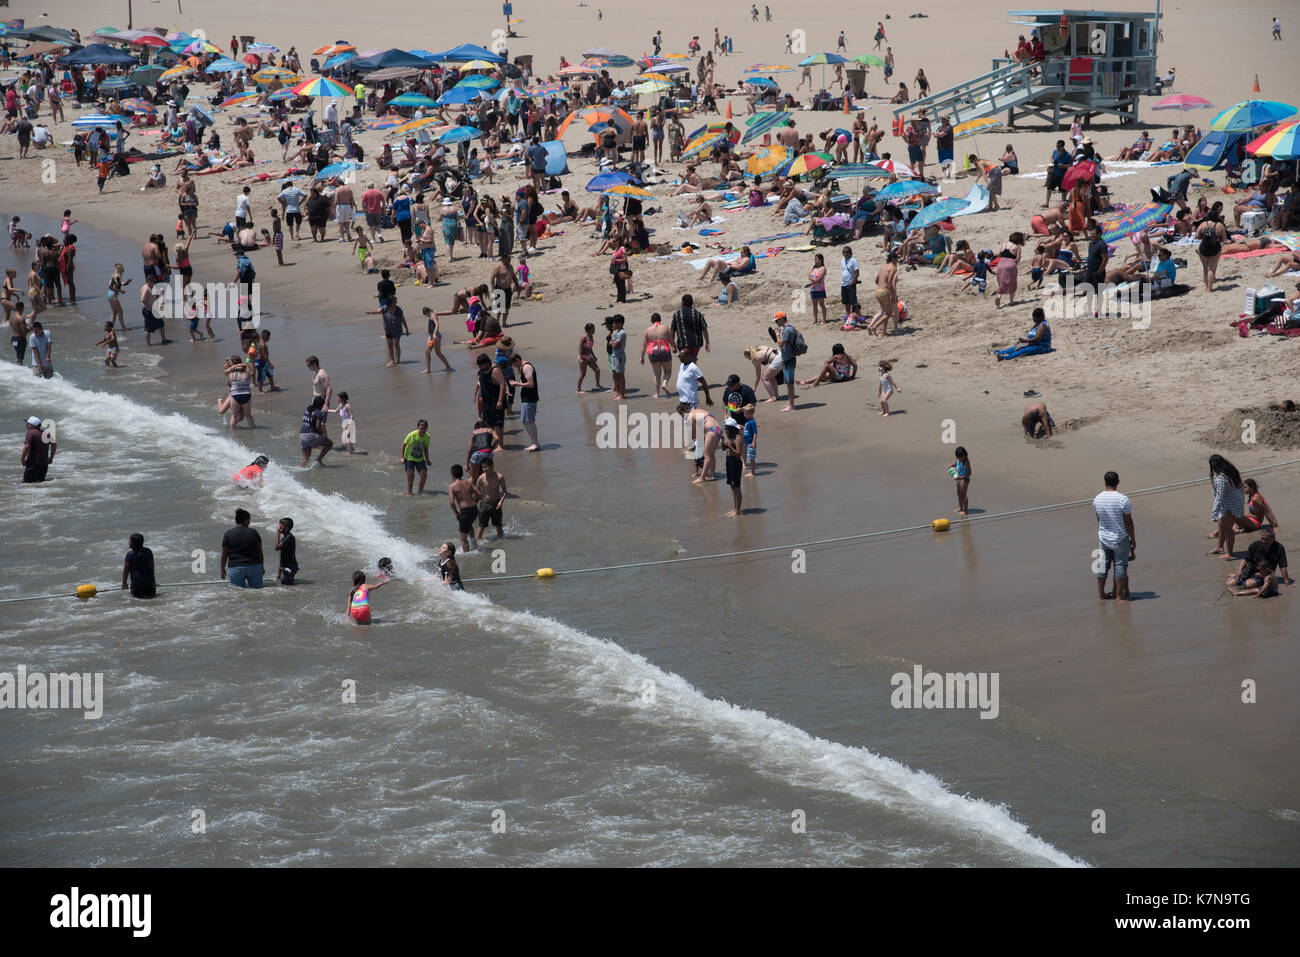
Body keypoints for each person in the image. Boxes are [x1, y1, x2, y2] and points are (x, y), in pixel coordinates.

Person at [1093, 471, 1135, 601]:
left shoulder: (1097, 499)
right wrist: (1133, 539)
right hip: (1120, 538)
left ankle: (1101, 595)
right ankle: (1119, 596)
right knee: (1120, 565)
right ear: (1118, 482)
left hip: (1103, 538)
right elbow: (1128, 521)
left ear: (1105, 482)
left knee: (1101, 566)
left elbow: (1099, 520)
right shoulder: (1123, 499)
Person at [1227, 526, 1289, 597]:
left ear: (1273, 539)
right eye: (1262, 539)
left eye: (1266, 539)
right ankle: (1236, 576)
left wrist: (1286, 581)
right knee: (1229, 583)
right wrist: (1239, 571)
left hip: (1264, 572)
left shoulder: (1279, 548)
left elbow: (1283, 566)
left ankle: (1239, 581)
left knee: (1248, 585)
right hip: (1251, 568)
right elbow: (1245, 559)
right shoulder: (1255, 545)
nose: (1263, 541)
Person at [1207, 454, 1246, 558]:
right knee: (1221, 524)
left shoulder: (1220, 478)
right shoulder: (1231, 471)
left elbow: (1219, 496)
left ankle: (1229, 553)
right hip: (1236, 501)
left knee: (1228, 529)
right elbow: (1241, 486)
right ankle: (1219, 546)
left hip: (1230, 504)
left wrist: (1214, 513)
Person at [220, 508, 264, 588]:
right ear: (246, 520)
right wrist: (262, 567)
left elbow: (224, 555)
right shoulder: (254, 532)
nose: (250, 522)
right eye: (249, 520)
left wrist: (222, 569)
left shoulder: (228, 534)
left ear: (236, 521)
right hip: (254, 566)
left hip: (236, 568)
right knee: (258, 592)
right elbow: (260, 551)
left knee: (238, 594)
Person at [510, 353, 541, 452]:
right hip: (527, 398)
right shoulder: (522, 367)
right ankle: (534, 443)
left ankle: (535, 443)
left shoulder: (526, 367)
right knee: (525, 420)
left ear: (518, 360)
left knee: (528, 421)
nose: (515, 367)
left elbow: (531, 384)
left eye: (514, 364)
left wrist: (517, 384)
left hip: (530, 398)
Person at [641, 313, 676, 398]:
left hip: (653, 352)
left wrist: (641, 357)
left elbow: (644, 345)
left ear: (651, 320)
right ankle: (664, 384)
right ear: (660, 320)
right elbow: (671, 341)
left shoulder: (648, 330)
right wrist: (674, 348)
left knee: (657, 374)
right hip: (665, 351)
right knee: (667, 371)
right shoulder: (665, 328)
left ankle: (657, 394)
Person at [474, 458, 508, 543]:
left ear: (492, 466)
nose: (484, 469)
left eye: (486, 467)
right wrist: (474, 504)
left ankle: (502, 543)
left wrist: (501, 502)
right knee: (481, 526)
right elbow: (476, 491)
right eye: (483, 467)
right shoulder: (481, 478)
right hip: (485, 504)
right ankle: (476, 544)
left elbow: (504, 492)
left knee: (499, 526)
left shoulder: (500, 477)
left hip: (496, 504)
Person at [299, 395, 334, 467]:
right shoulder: (319, 413)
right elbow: (318, 427)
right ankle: (318, 459)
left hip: (302, 436)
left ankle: (298, 474)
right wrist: (321, 435)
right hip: (311, 435)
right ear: (320, 405)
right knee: (329, 444)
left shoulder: (307, 409)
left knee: (305, 460)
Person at [121, 533, 158, 599]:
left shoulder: (130, 555)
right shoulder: (148, 551)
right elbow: (152, 567)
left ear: (133, 543)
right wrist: (152, 582)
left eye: (129, 541)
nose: (128, 542)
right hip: (150, 584)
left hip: (137, 587)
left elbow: (126, 571)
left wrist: (124, 583)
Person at [20, 415, 54, 484]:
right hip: (44, 463)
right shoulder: (46, 433)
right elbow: (54, 445)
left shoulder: (31, 432)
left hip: (33, 462)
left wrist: (22, 459)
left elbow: (27, 446)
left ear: (31, 425)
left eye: (28, 424)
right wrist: (50, 458)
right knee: (40, 483)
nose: (27, 426)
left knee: (26, 483)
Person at [402, 419, 432, 494]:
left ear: (427, 428)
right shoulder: (412, 435)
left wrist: (427, 459)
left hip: (420, 458)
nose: (422, 430)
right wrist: (402, 457)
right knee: (411, 476)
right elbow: (403, 445)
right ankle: (409, 493)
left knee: (424, 474)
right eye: (421, 428)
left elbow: (425, 448)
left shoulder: (427, 437)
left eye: (424, 429)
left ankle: (420, 492)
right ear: (417, 427)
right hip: (409, 458)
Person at [722, 418, 745, 517]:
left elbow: (739, 453)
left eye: (726, 428)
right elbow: (724, 449)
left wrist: (730, 446)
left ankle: (738, 510)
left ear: (730, 428)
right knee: (732, 487)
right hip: (729, 462)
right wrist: (723, 442)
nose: (725, 430)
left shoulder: (738, 437)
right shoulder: (729, 436)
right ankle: (735, 508)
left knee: (737, 487)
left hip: (735, 463)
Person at [577, 322, 604, 392]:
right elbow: (580, 346)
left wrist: (594, 356)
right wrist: (580, 357)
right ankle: (578, 389)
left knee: (597, 370)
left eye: (594, 329)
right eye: (593, 329)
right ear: (588, 330)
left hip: (589, 356)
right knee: (583, 374)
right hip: (583, 357)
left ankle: (598, 384)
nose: (594, 330)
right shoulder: (584, 337)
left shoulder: (591, 337)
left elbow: (590, 348)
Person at [606, 314, 628, 400]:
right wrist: (612, 343)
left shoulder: (622, 333)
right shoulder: (615, 332)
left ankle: (622, 395)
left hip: (620, 356)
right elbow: (610, 343)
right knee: (615, 375)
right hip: (614, 356)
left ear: (621, 323)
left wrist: (612, 343)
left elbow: (616, 345)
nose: (613, 324)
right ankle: (618, 393)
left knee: (620, 376)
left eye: (615, 323)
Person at [275, 518, 299, 585]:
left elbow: (276, 548)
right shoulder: (285, 538)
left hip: (290, 566)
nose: (278, 527)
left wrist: (278, 534)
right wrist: (278, 574)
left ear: (286, 528)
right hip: (286, 566)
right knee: (285, 584)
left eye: (280, 526)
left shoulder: (289, 538)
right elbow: (282, 557)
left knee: (287, 585)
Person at [950, 446, 972, 515]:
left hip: (965, 478)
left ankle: (965, 510)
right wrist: (951, 466)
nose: (961, 459)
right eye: (959, 457)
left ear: (965, 455)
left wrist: (961, 477)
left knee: (963, 494)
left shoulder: (966, 462)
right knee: (959, 493)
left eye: (963, 457)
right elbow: (955, 464)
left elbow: (969, 473)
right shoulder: (958, 459)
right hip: (958, 477)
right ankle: (960, 507)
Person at [840, 246, 860, 313]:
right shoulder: (842, 260)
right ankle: (848, 314)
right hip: (843, 283)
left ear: (850, 253)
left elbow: (857, 273)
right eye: (844, 252)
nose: (845, 253)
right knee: (846, 302)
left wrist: (853, 282)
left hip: (850, 283)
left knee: (853, 301)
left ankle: (857, 314)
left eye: (847, 252)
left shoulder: (853, 260)